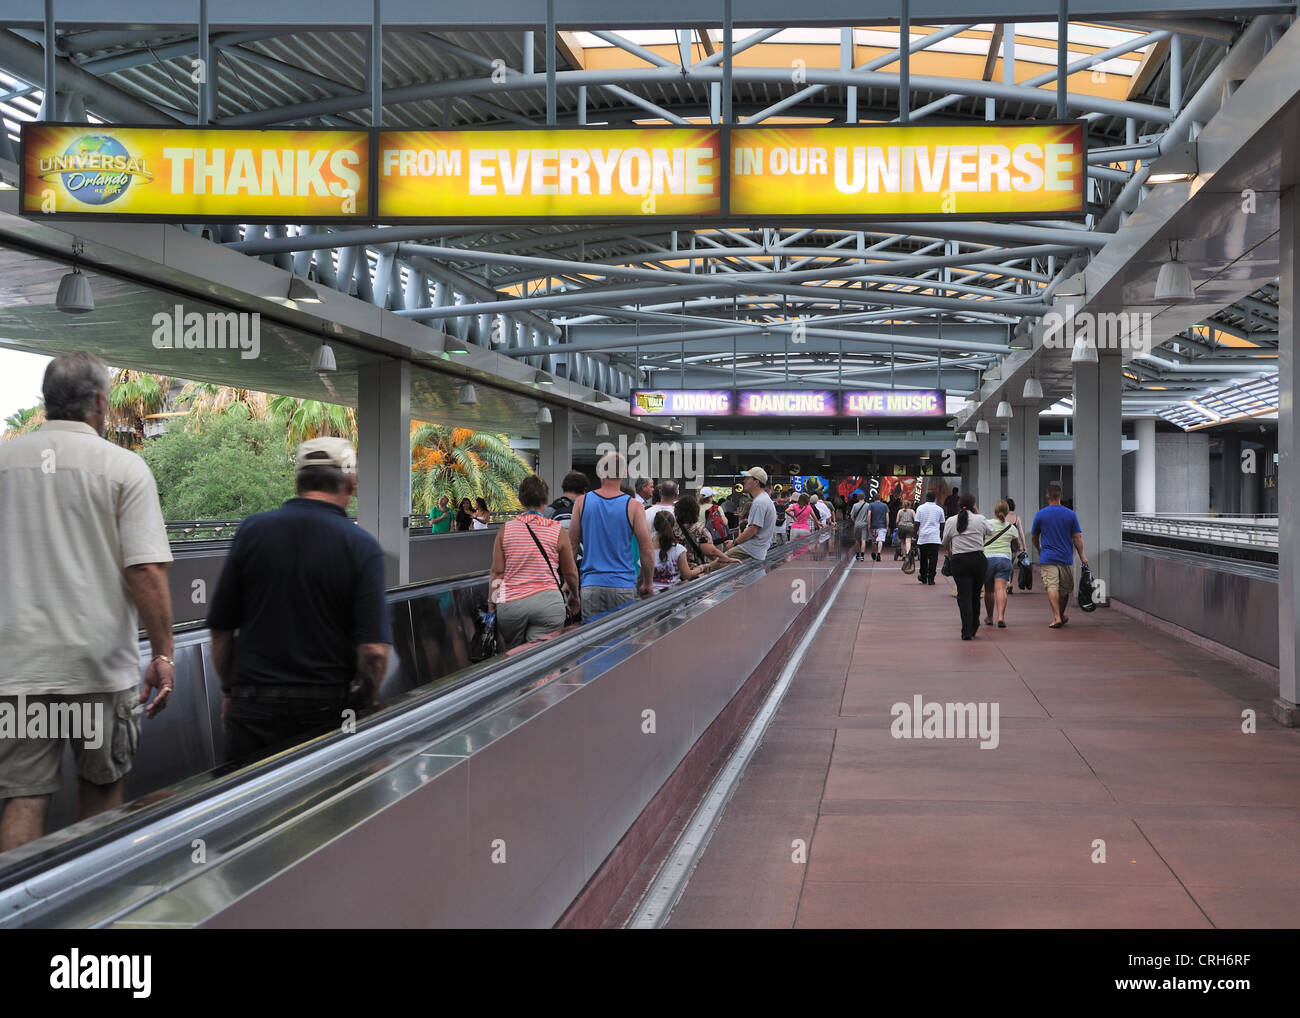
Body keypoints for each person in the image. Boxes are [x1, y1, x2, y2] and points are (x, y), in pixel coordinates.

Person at [0, 353, 175, 852]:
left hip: (17, 669)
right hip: (99, 669)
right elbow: (143, 570)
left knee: (23, 797)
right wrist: (163, 653)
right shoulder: (123, 467)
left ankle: (14, 911)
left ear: (47, 402)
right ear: (101, 403)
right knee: (101, 790)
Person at [208, 438, 392, 766]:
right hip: (327, 711)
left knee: (246, 809)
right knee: (329, 808)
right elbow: (375, 652)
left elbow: (221, 631)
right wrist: (365, 701)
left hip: (252, 708)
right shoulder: (361, 546)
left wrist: (228, 692)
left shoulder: (251, 531)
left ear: (297, 483)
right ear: (351, 482)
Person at [489, 475, 581, 648]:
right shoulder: (556, 530)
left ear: (521, 499)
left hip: (511, 604)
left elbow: (497, 572)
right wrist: (574, 596)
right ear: (546, 499)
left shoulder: (505, 530)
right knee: (542, 657)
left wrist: (492, 601)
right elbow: (570, 572)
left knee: (514, 656)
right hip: (547, 604)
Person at [570, 449, 655, 617]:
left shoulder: (581, 502)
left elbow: (571, 545)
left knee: (593, 640)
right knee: (623, 639)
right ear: (624, 473)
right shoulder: (634, 506)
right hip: (623, 585)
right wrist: (647, 583)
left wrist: (571, 585)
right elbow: (646, 549)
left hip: (591, 585)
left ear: (600, 472)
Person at [1031, 482, 1090, 629]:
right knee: (1064, 589)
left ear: (1047, 496)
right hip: (1066, 557)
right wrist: (1082, 556)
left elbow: (1034, 536)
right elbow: (1077, 537)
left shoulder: (1040, 514)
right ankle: (1059, 615)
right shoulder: (1071, 514)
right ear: (1061, 497)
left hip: (1048, 557)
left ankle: (1058, 616)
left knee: (1052, 586)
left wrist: (1039, 548)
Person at [941, 492, 995, 640]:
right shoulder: (980, 519)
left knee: (963, 596)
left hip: (959, 561)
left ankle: (966, 630)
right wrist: (977, 513)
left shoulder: (952, 521)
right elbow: (991, 530)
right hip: (978, 559)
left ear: (959, 505)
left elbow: (945, 540)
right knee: (975, 594)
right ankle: (974, 625)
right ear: (974, 505)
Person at [725, 468, 777, 561]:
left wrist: (734, 543)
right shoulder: (764, 499)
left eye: (747, 478)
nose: (744, 481)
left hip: (751, 549)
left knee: (718, 563)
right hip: (757, 550)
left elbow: (752, 530)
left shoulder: (759, 502)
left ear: (756, 482)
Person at [673, 494, 732, 573]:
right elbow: (711, 552)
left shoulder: (671, 526)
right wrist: (728, 559)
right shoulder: (700, 529)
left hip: (674, 569)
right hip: (694, 569)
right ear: (696, 510)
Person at [982, 501, 1018, 628]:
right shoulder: (1011, 527)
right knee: (1001, 589)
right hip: (1004, 560)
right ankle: (1001, 617)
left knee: (989, 591)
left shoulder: (987, 524)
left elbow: (981, 540)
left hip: (988, 560)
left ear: (994, 511)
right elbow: (1016, 545)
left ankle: (990, 617)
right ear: (1007, 512)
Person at [650, 512, 703, 592]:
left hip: (652, 597)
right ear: (673, 525)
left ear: (654, 526)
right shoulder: (678, 549)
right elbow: (687, 575)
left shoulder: (647, 549)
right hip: (674, 594)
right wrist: (702, 568)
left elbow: (641, 577)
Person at [915, 491, 946, 585]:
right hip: (934, 537)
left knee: (923, 558)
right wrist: (941, 535)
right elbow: (942, 523)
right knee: (933, 558)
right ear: (935, 498)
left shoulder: (920, 508)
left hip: (923, 537)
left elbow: (916, 523)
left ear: (926, 498)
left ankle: (923, 577)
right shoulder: (939, 509)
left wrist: (914, 536)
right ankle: (931, 578)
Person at [1003, 497, 1029, 596]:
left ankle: (1007, 583)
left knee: (1005, 564)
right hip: (1014, 544)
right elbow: (1021, 533)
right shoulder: (1017, 518)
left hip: (1004, 544)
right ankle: (1009, 582)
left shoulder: (1002, 517)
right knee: (1010, 565)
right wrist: (1024, 546)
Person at [866, 492, 889, 561]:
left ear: (874, 498)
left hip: (873, 525)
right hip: (882, 525)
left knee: (874, 540)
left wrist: (869, 524)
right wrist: (887, 525)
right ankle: (879, 553)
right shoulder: (884, 505)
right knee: (880, 540)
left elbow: (869, 515)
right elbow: (887, 516)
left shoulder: (871, 505)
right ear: (880, 498)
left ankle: (873, 552)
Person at [849, 493, 870, 561]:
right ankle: (862, 555)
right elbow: (869, 515)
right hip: (864, 524)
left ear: (857, 498)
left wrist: (855, 521)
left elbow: (852, 516)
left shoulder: (855, 505)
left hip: (857, 524)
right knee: (863, 540)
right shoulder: (867, 505)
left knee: (857, 540)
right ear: (864, 497)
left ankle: (857, 555)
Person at [887, 491, 903, 559]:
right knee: (895, 530)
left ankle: (892, 541)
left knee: (893, 530)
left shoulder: (890, 504)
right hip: (895, 518)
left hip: (892, 518)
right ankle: (894, 541)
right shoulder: (898, 506)